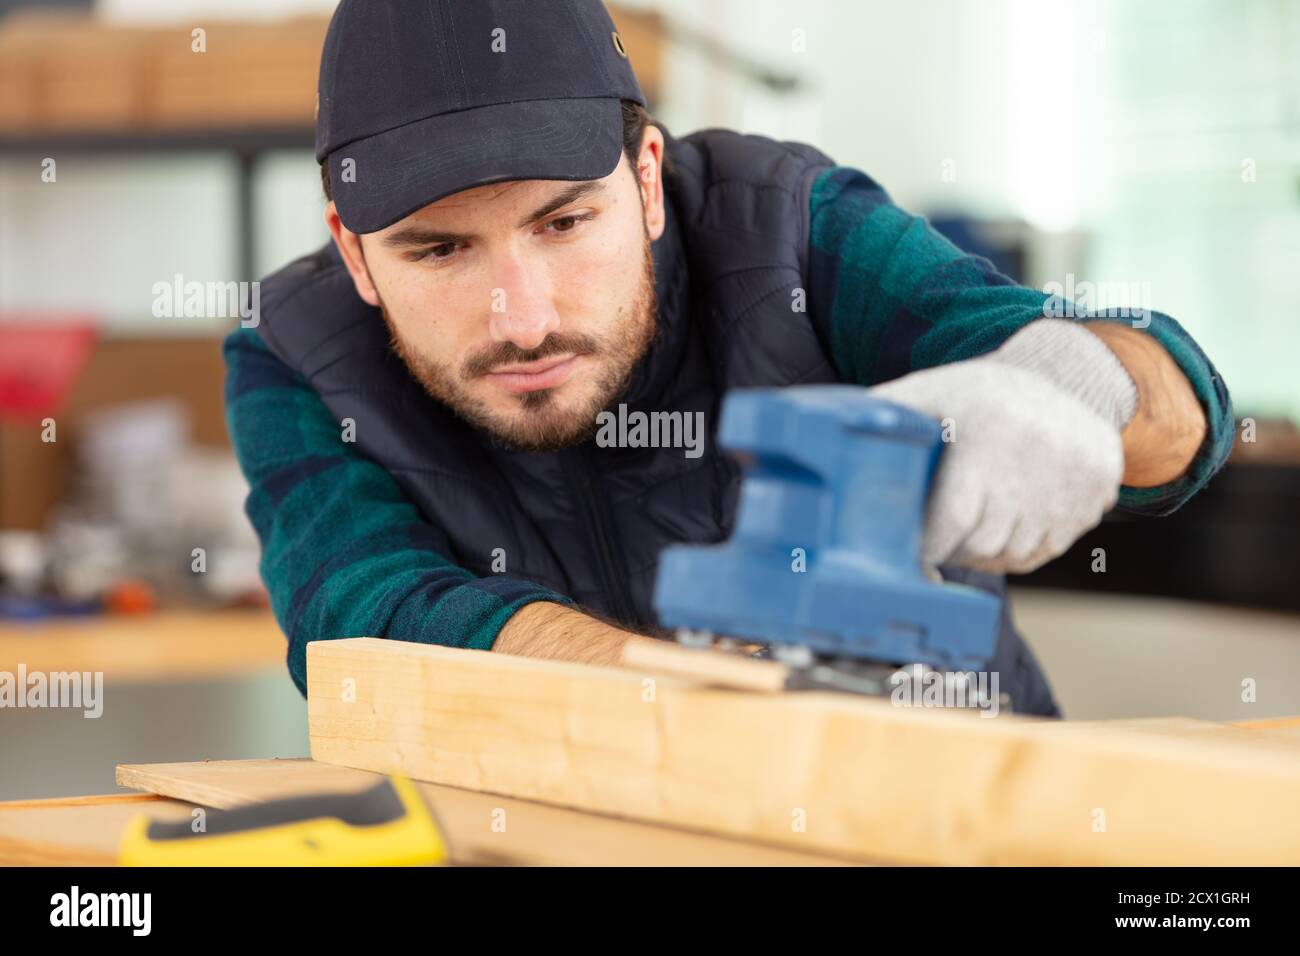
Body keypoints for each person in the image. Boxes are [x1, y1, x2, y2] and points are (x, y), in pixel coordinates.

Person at [223, 0, 1233, 716]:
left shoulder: (787, 226)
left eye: (566, 221)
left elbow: (1179, 414)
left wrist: (1077, 387)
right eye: (438, 250)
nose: (523, 319)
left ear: (648, 179)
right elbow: (359, 614)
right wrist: (711, 690)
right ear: (352, 251)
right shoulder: (294, 353)